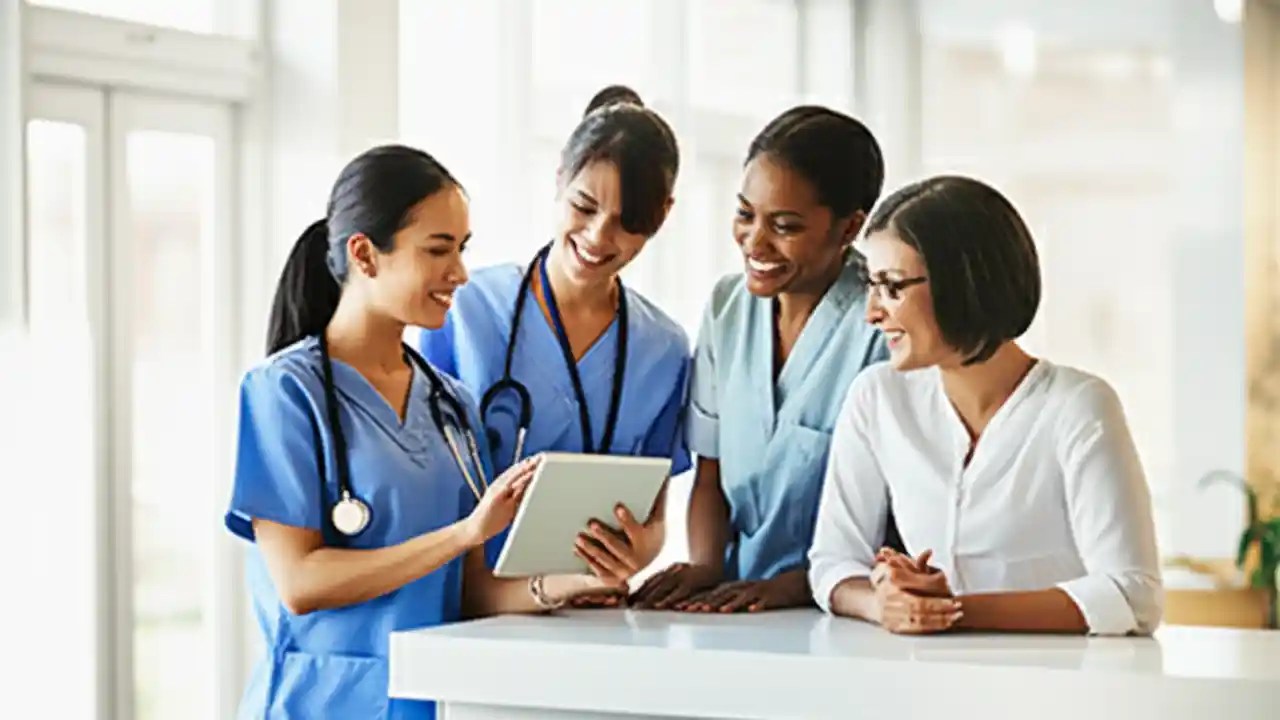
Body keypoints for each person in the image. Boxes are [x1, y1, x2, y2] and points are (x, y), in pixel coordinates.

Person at [225, 145, 624, 719]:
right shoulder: (284, 393)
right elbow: (300, 580)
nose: (459, 273)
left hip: (433, 702)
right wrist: (464, 533)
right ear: (364, 254)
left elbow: (466, 590)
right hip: (321, 705)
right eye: (438, 250)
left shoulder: (451, 404)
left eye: (462, 249)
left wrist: (562, 585)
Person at [808, 175, 1163, 636]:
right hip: (921, 688)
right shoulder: (877, 398)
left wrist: (951, 611)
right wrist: (887, 605)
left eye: (893, 287)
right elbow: (833, 563)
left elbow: (1133, 595)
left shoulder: (1078, 408)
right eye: (871, 285)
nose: (872, 312)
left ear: (964, 283)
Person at [418, 86, 689, 593]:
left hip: (588, 609)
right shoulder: (464, 309)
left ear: (664, 215)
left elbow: (654, 523)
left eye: (629, 223)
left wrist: (636, 550)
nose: (599, 237)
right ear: (559, 177)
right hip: (460, 606)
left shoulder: (664, 350)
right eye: (584, 207)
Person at [625, 106, 892, 613]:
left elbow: (899, 516)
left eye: (785, 226)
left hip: (849, 611)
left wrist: (795, 586)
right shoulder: (727, 308)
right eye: (746, 214)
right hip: (737, 603)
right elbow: (711, 473)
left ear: (849, 227)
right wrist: (705, 565)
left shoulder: (883, 324)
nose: (755, 241)